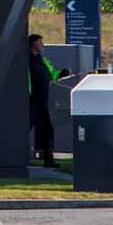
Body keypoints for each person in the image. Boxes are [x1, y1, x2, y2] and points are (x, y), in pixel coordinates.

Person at [28, 33, 71, 168]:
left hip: (45, 100)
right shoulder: (24, 60)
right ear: (33, 43)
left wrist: (62, 73)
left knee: (47, 129)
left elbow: (52, 74)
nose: (43, 45)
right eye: (41, 42)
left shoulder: (44, 61)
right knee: (26, 127)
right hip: (31, 100)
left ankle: (49, 160)